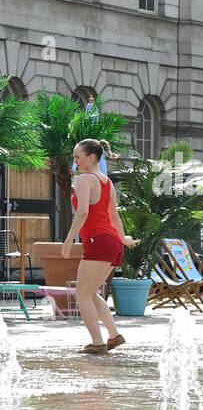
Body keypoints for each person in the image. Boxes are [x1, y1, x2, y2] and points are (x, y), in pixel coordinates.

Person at [60, 139, 137, 354]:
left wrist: (68, 240)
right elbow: (114, 216)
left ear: (91, 158)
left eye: (77, 156)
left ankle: (97, 342)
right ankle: (114, 335)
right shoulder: (106, 182)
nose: (75, 160)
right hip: (111, 243)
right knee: (91, 293)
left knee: (82, 295)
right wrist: (123, 239)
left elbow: (83, 212)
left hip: (98, 241)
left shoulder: (85, 179)